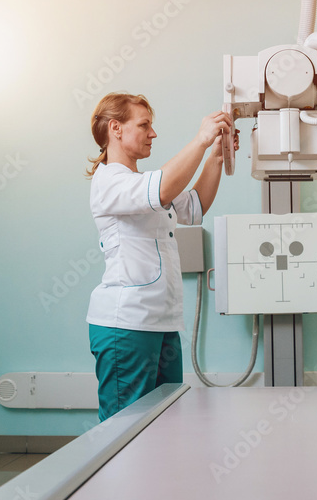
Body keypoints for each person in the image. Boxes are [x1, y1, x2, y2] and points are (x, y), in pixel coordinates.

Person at [85, 92, 237, 421]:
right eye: (144, 125)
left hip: (161, 320)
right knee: (124, 426)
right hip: (126, 323)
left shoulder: (141, 182)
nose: (153, 133)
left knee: (165, 421)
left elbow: (194, 207)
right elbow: (164, 188)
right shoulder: (109, 182)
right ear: (116, 128)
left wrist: (216, 156)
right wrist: (201, 139)